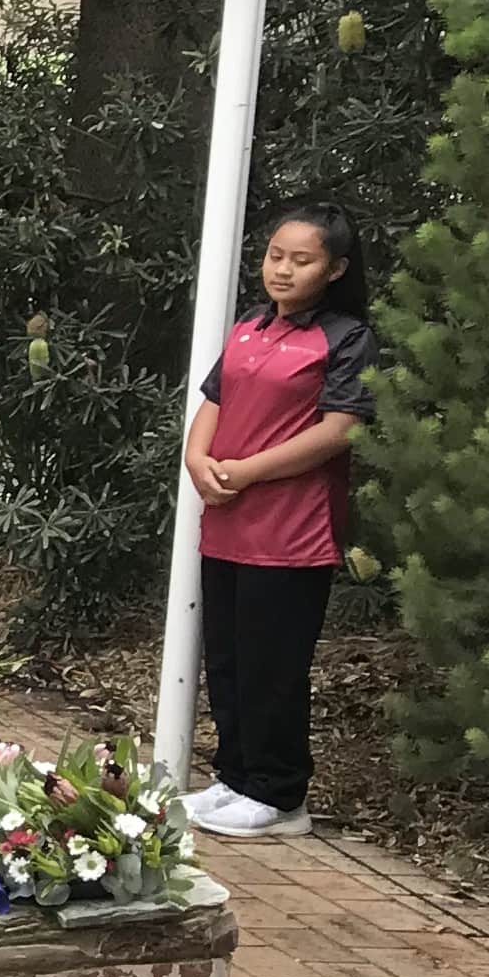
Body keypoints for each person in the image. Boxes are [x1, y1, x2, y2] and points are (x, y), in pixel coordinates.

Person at [184, 201, 376, 840]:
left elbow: (339, 431)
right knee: (231, 659)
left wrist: (245, 471)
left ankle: (280, 795)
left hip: (293, 533)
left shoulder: (347, 338)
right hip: (227, 523)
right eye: (275, 256)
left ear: (336, 268)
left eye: (303, 260)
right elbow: (215, 400)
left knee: (275, 665)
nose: (283, 270)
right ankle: (235, 777)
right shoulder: (248, 327)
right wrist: (198, 461)